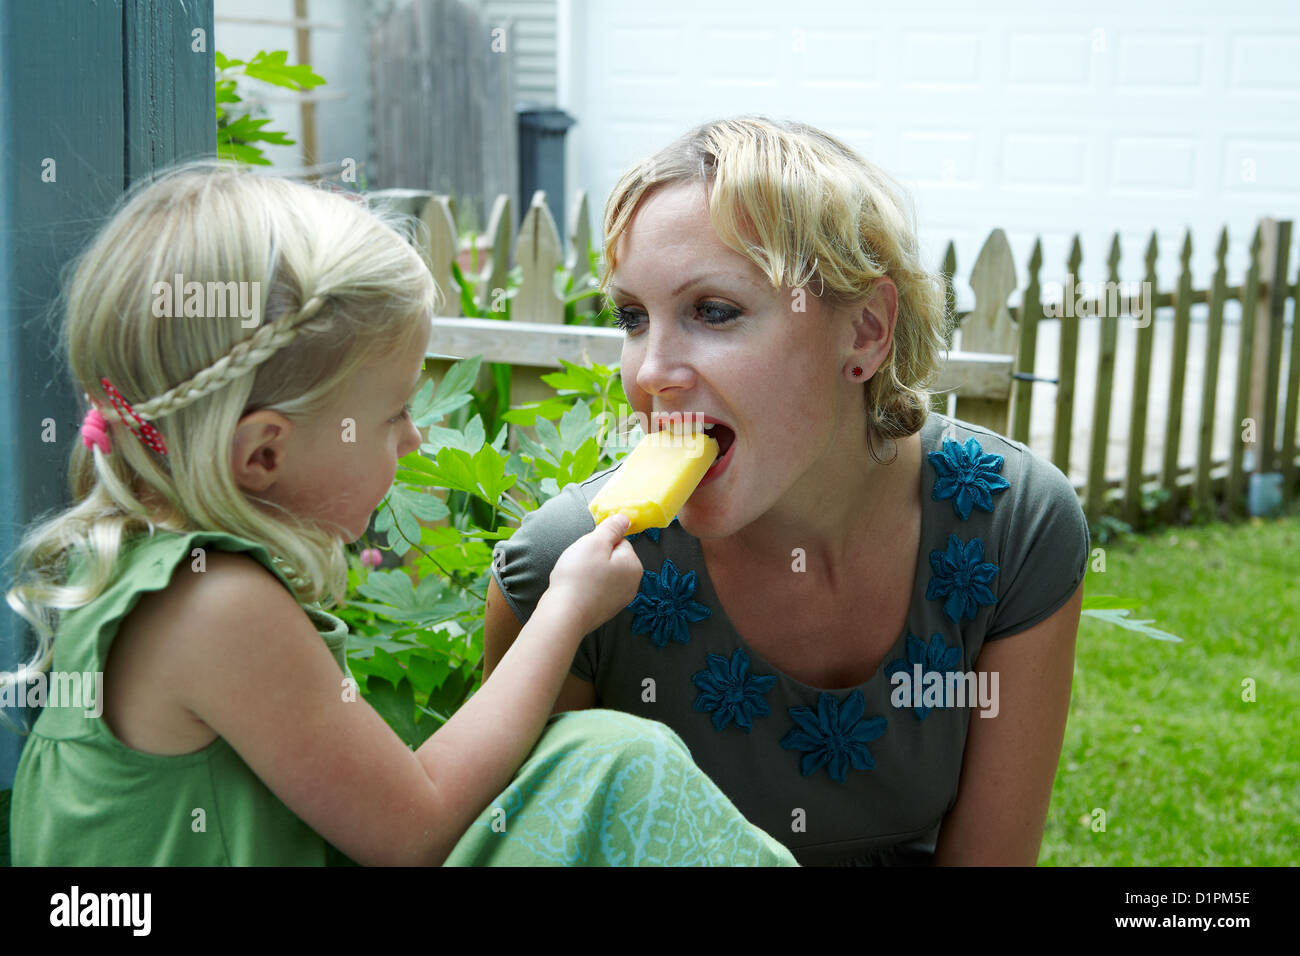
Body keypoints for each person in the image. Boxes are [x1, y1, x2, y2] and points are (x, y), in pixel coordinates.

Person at [2, 161, 797, 867]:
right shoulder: (216, 605)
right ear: (264, 454)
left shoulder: (152, 572)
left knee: (603, 750)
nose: (415, 439)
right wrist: (565, 607)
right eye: (391, 415)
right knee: (620, 760)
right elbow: (413, 831)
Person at [485, 116, 1090, 866]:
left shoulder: (1013, 526)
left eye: (714, 311)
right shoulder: (564, 569)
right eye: (633, 318)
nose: (650, 372)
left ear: (866, 331)